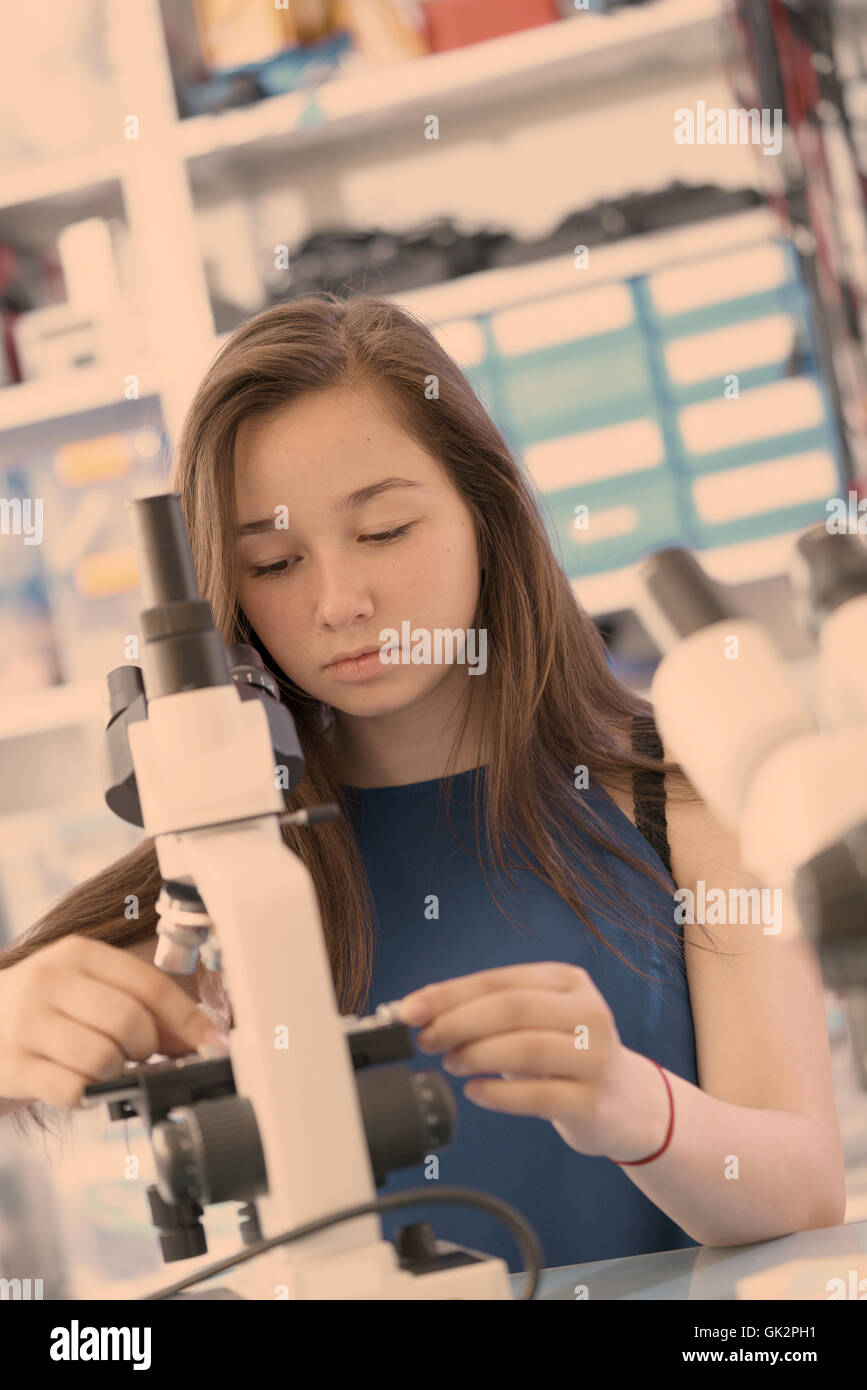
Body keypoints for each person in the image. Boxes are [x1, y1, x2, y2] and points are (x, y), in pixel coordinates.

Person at [0, 293, 845, 1276]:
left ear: (486, 510)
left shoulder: (683, 791)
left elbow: (803, 1182)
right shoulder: (222, 870)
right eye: (272, 562)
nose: (338, 602)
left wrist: (631, 1103)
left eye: (387, 530)